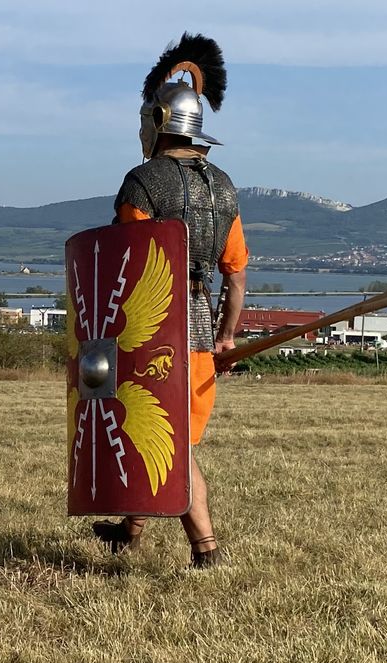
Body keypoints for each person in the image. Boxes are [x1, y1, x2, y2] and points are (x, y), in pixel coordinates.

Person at [90, 33, 247, 569]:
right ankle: (128, 534)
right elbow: (235, 274)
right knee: (156, 430)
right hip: (199, 334)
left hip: (153, 332)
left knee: (171, 441)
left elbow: (124, 264)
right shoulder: (223, 187)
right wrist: (226, 336)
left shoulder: (143, 182)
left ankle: (207, 549)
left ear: (159, 121)